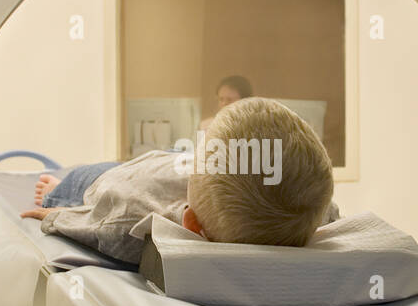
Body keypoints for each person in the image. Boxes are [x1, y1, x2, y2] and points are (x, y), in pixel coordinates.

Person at [21, 97, 336, 264]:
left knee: (83, 178)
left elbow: (97, 225)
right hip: (185, 163)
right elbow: (331, 211)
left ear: (191, 224)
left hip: (129, 177)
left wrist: (59, 210)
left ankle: (59, 186)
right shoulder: (313, 207)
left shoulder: (132, 214)